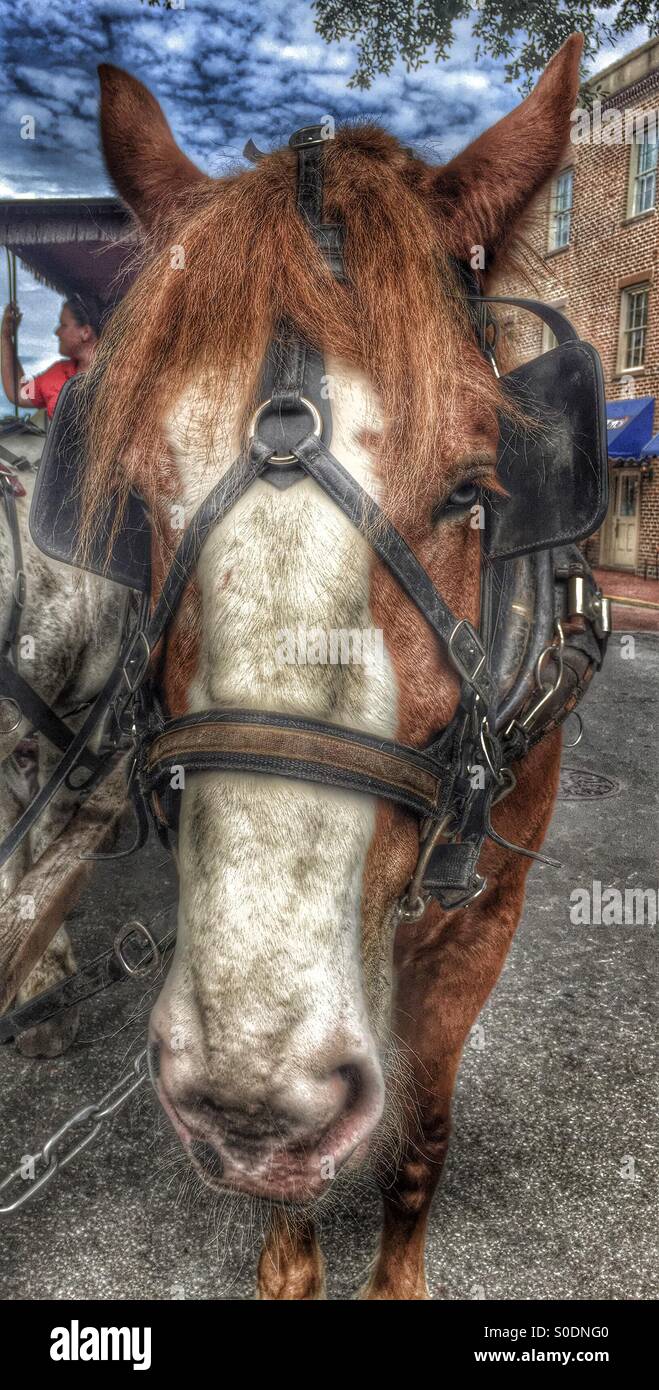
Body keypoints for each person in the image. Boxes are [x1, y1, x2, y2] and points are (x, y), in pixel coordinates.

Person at [1, 292, 101, 419]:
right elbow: (19, 393)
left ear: (85, 332)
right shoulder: (56, 373)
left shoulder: (121, 374)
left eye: (64, 325)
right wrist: (6, 337)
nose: (57, 332)